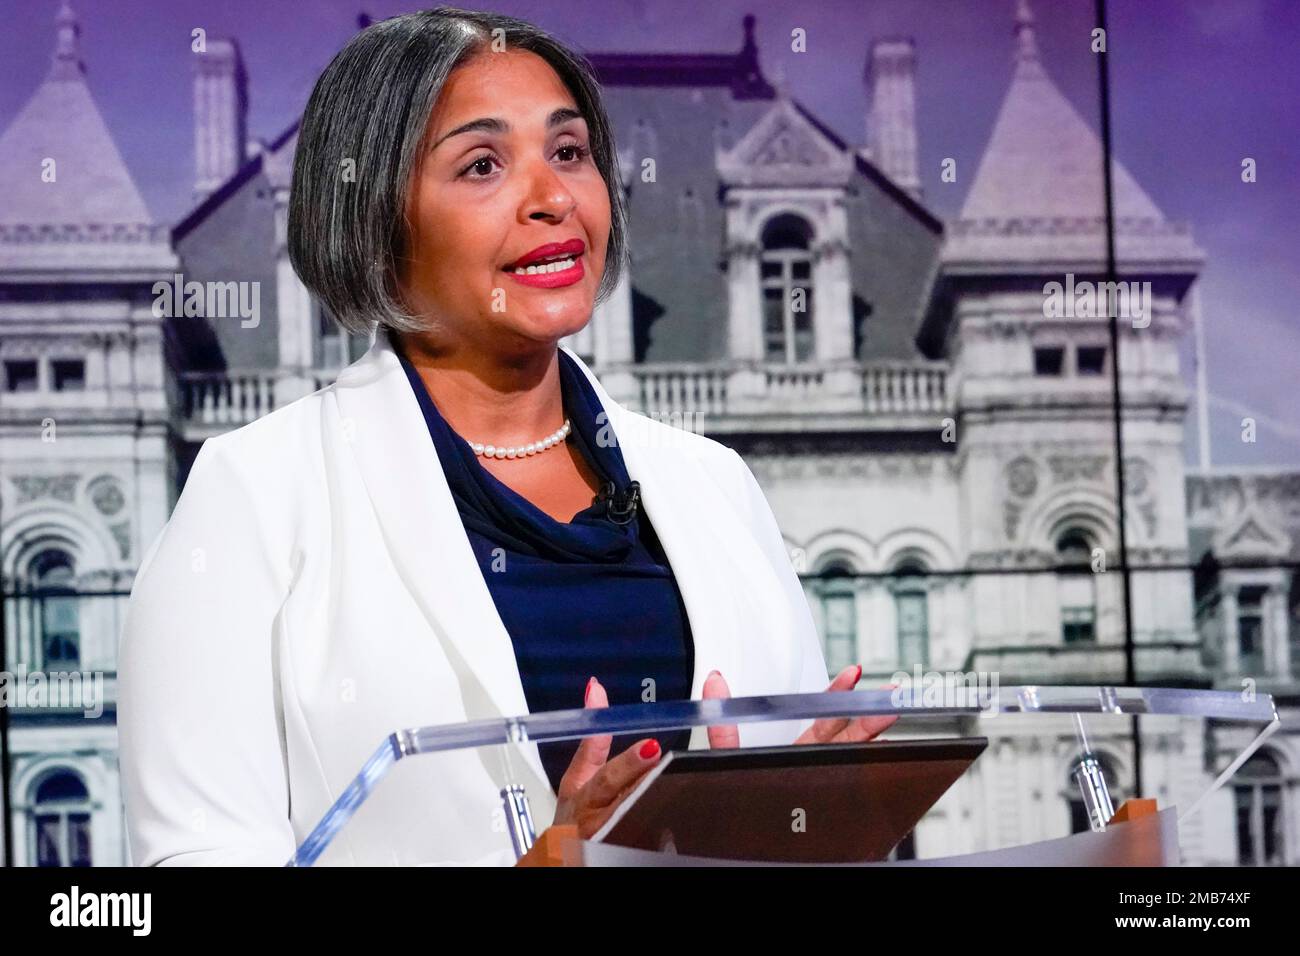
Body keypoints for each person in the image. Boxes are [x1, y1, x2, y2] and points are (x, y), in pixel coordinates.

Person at [118, 6, 895, 867]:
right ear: (377, 222)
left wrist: (807, 819)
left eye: (569, 153)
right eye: (482, 164)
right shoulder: (252, 496)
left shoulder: (714, 486)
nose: (554, 197)